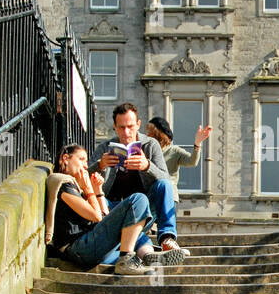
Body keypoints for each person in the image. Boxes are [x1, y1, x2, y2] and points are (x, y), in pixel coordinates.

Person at [89, 102, 185, 265]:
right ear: (114, 126)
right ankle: (147, 252)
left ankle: (167, 238)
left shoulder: (151, 145)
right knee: (94, 200)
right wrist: (100, 165)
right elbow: (83, 179)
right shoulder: (105, 147)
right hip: (113, 209)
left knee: (164, 185)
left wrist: (147, 166)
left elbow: (165, 178)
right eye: (121, 128)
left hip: (145, 208)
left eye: (130, 127)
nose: (126, 133)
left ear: (138, 124)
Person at [45, 144, 154, 274]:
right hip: (79, 249)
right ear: (65, 158)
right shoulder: (63, 184)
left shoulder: (75, 185)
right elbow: (95, 216)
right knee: (138, 199)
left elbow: (104, 216)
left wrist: (98, 191)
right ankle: (127, 260)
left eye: (86, 161)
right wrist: (88, 189)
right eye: (81, 159)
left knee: (135, 232)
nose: (85, 166)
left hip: (91, 248)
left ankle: (148, 257)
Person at [146, 115, 211, 258]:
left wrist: (197, 144)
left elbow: (192, 161)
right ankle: (148, 246)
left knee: (164, 223)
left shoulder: (174, 151)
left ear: (158, 132)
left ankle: (167, 244)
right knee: (145, 222)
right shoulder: (148, 150)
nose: (147, 134)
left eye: (150, 131)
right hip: (151, 194)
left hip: (169, 196)